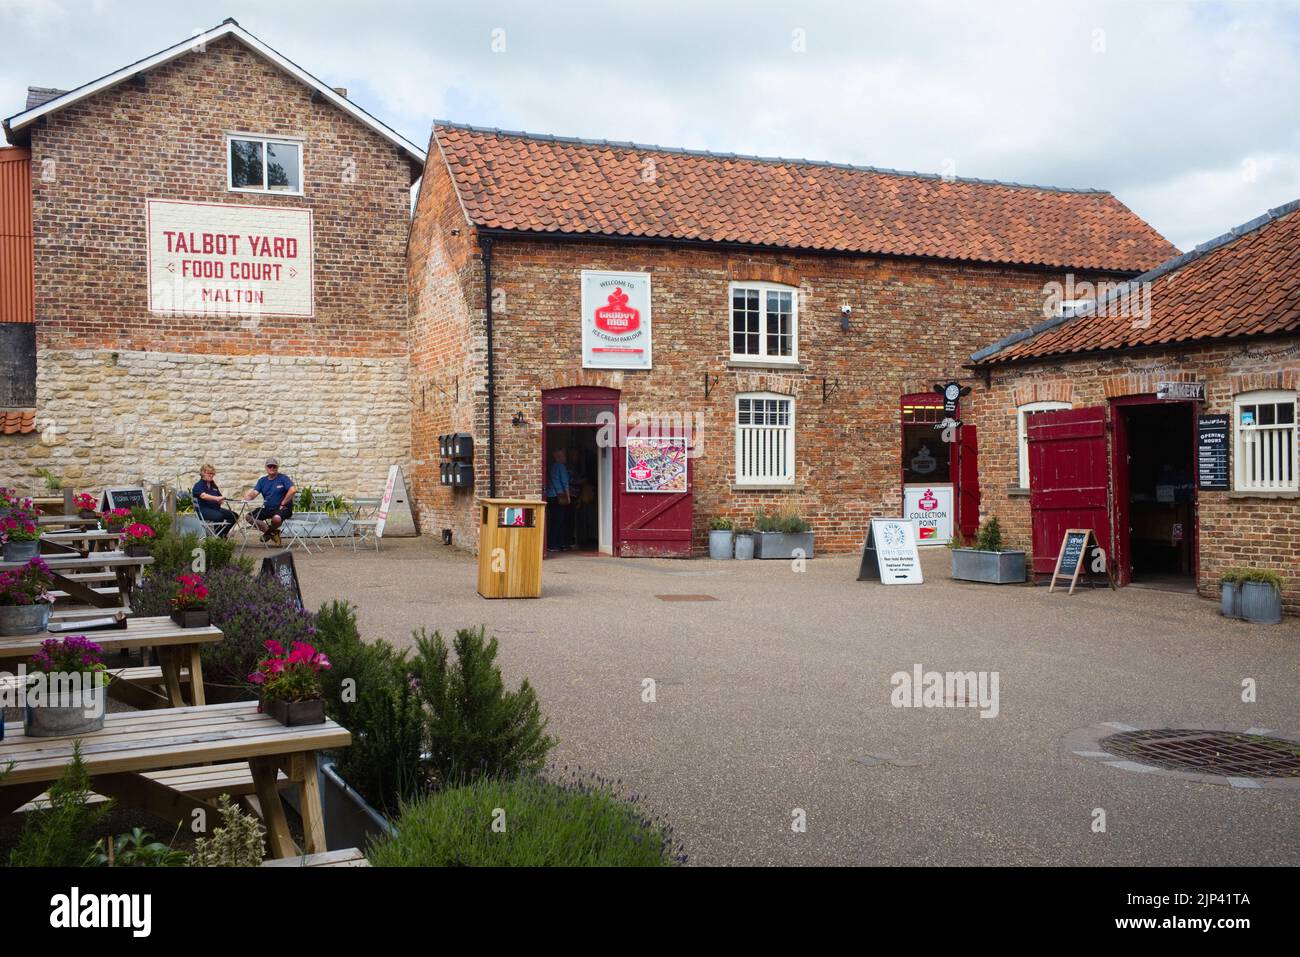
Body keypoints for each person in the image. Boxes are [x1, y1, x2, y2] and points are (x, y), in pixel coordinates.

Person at [244, 458, 295, 546]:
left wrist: (283, 503)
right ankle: (272, 533)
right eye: (269, 466)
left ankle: (269, 533)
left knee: (276, 518)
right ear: (266, 468)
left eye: (274, 466)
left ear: (277, 467)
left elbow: (293, 490)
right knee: (248, 517)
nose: (272, 468)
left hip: (283, 508)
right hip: (268, 509)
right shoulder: (262, 481)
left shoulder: (283, 478)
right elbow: (254, 493)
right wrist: (247, 497)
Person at [191, 464, 237, 538]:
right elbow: (203, 495)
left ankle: (222, 534)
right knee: (219, 516)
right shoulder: (198, 485)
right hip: (203, 510)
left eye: (212, 474)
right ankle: (218, 535)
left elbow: (219, 496)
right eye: (209, 473)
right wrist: (216, 498)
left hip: (216, 509)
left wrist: (221, 500)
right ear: (203, 473)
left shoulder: (213, 485)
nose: (211, 475)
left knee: (234, 515)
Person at [545, 447, 574, 551]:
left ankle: (554, 543)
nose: (565, 458)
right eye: (563, 455)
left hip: (550, 495)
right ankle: (555, 544)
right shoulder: (561, 466)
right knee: (560, 521)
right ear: (558, 457)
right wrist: (568, 496)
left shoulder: (552, 466)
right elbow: (565, 482)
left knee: (554, 520)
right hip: (559, 496)